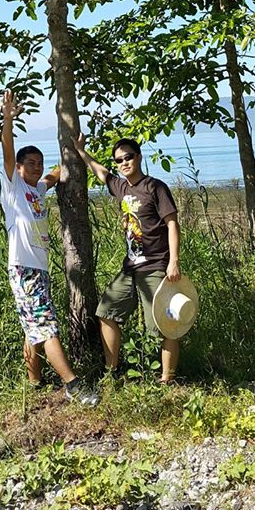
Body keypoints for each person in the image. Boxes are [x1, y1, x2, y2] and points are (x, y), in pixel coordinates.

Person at [1, 90, 98, 405]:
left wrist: (72, 150)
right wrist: (7, 119)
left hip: (38, 269)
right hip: (24, 267)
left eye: (38, 163)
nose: (35, 167)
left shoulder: (38, 188)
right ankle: (72, 384)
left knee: (33, 327)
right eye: (30, 163)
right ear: (17, 168)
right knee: (45, 324)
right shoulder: (13, 188)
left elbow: (55, 174)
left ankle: (35, 384)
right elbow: (7, 148)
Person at [73, 132, 182, 384]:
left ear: (139, 157)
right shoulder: (121, 186)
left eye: (128, 157)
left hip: (155, 266)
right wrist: (81, 151)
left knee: (164, 323)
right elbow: (101, 172)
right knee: (106, 312)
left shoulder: (155, 187)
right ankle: (112, 372)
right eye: (119, 160)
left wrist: (174, 261)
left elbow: (173, 225)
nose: (124, 163)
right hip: (130, 267)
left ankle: (167, 378)